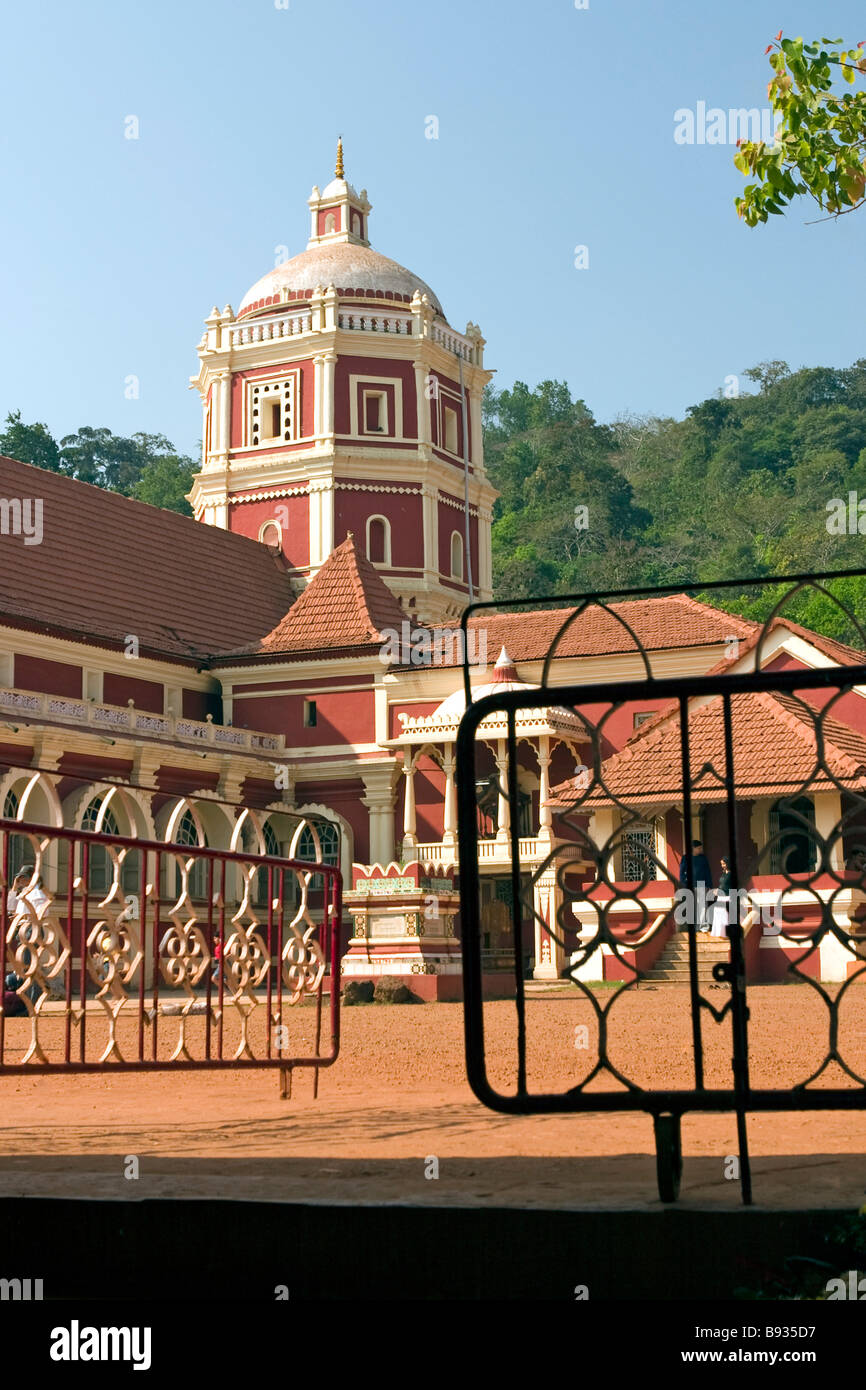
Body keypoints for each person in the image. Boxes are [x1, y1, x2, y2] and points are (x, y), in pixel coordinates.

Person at [679, 839, 714, 932]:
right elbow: (681, 872)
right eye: (698, 848)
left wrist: (709, 884)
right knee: (691, 906)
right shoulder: (685, 858)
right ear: (693, 848)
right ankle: (694, 927)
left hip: (702, 884)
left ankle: (702, 927)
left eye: (701, 848)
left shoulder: (703, 858)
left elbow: (707, 872)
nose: (700, 850)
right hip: (689, 884)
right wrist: (683, 884)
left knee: (702, 906)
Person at [710, 856, 733, 938]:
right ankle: (720, 933)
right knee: (718, 913)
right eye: (721, 864)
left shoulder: (732, 874)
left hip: (727, 896)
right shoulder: (724, 873)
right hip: (721, 897)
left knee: (725, 915)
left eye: (724, 864)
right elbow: (722, 885)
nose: (722, 865)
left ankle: (726, 933)